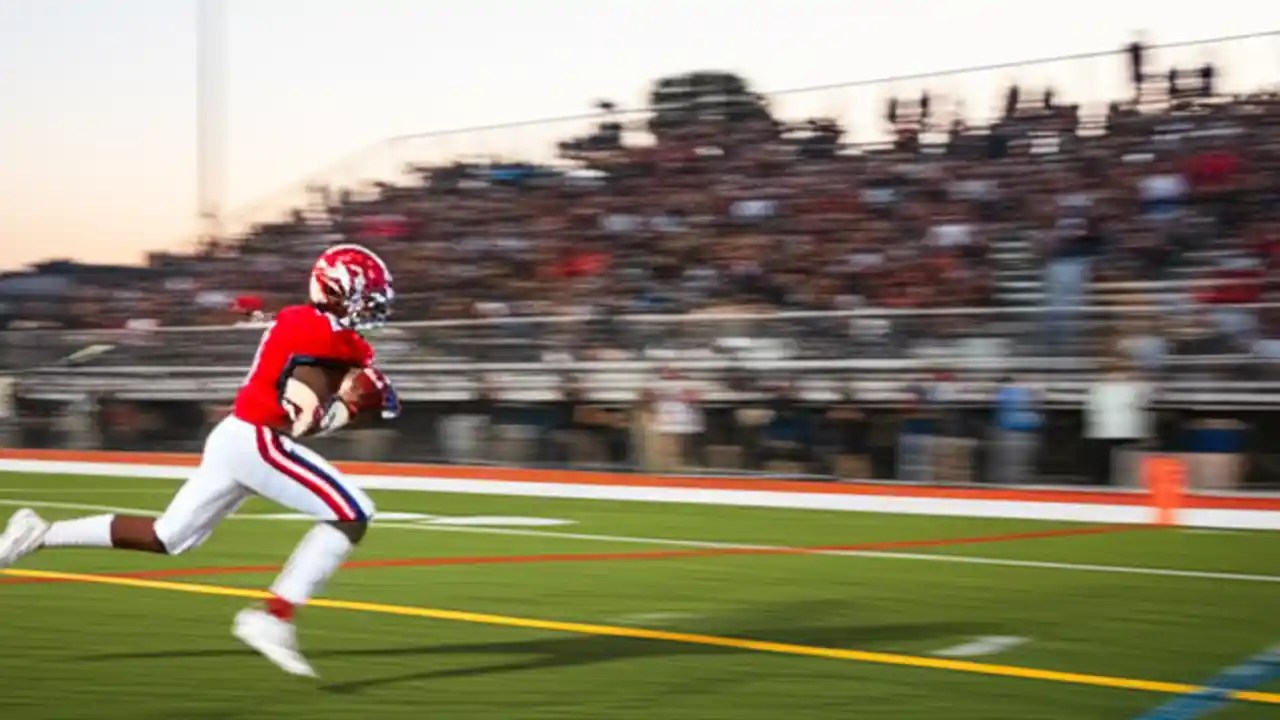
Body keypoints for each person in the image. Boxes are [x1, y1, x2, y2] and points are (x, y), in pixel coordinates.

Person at [0, 244, 400, 678]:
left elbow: (305, 358)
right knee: (352, 513)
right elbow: (306, 422)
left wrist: (356, 391)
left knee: (169, 536)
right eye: (366, 297)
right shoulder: (330, 337)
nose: (372, 308)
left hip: (235, 437)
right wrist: (354, 406)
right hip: (257, 440)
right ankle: (272, 617)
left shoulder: (307, 323)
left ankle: (39, 533)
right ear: (335, 292)